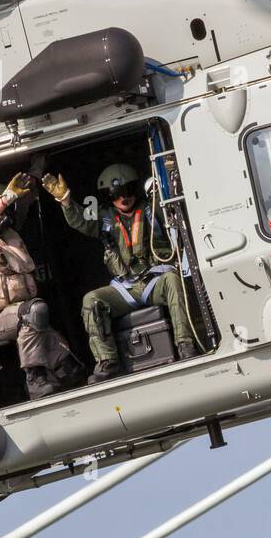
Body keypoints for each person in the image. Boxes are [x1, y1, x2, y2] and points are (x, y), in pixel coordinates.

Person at [40, 163, 196, 384]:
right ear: (108, 196)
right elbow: (80, 221)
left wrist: (162, 188)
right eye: (117, 193)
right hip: (125, 288)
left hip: (154, 280)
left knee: (173, 280)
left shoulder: (153, 208)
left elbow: (173, 209)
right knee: (91, 300)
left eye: (129, 191)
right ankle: (108, 361)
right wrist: (65, 199)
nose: (124, 198)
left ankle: (185, 343)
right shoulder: (105, 218)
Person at [0, 175, 84, 400]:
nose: (5, 215)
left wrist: (36, 171)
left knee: (71, 367)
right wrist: (4, 200)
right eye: (0, 211)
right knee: (34, 312)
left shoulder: (8, 234)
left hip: (19, 312)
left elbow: (24, 207)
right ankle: (34, 377)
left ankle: (63, 368)